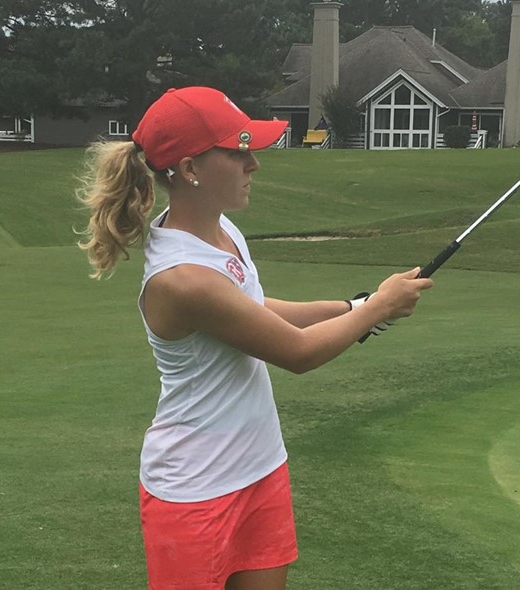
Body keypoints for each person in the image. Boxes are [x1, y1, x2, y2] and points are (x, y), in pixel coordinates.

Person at [76, 86, 432, 590]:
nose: (253, 164)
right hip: (196, 491)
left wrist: (354, 307)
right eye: (237, 151)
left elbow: (255, 311)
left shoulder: (222, 233)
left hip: (261, 468)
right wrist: (377, 307)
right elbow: (297, 353)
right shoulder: (182, 278)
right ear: (191, 168)